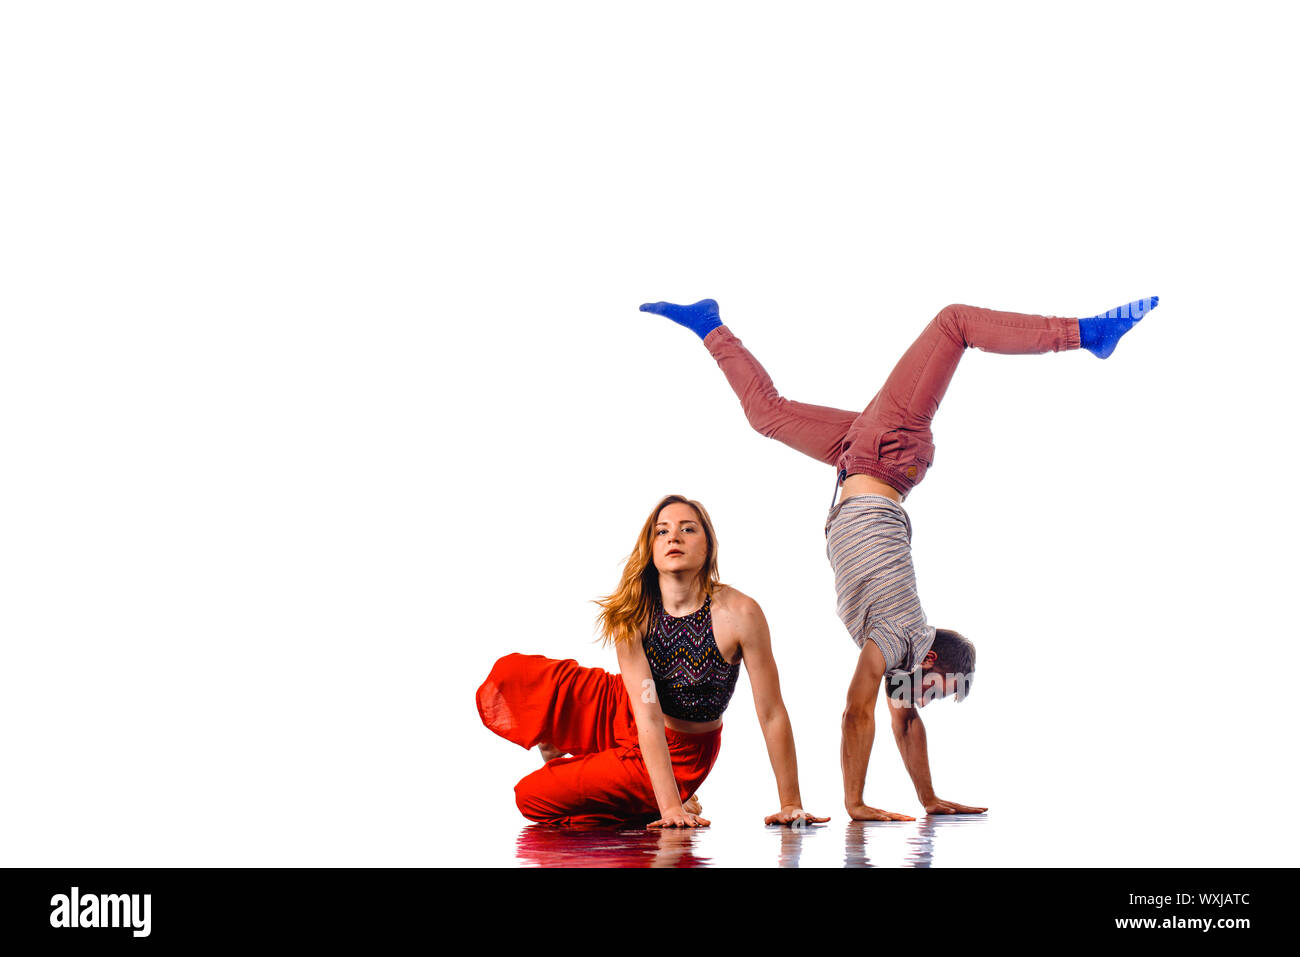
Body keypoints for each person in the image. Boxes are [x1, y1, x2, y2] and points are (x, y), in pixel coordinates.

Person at [641, 295, 1159, 821]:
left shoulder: (904, 652)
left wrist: (927, 799)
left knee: (766, 415)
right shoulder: (899, 635)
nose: (928, 702)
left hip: (858, 454)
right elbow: (855, 710)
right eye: (940, 692)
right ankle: (1088, 333)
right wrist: (854, 802)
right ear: (930, 662)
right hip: (886, 450)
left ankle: (709, 324)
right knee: (954, 321)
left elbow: (905, 724)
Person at [476, 493, 829, 828]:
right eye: (662, 531)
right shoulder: (634, 614)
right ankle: (565, 748)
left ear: (708, 547)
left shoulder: (740, 614)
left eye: (688, 528)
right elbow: (644, 712)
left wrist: (790, 804)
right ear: (652, 547)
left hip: (678, 748)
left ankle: (629, 786)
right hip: (623, 705)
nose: (674, 536)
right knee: (513, 674)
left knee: (530, 796)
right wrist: (671, 806)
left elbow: (771, 713)